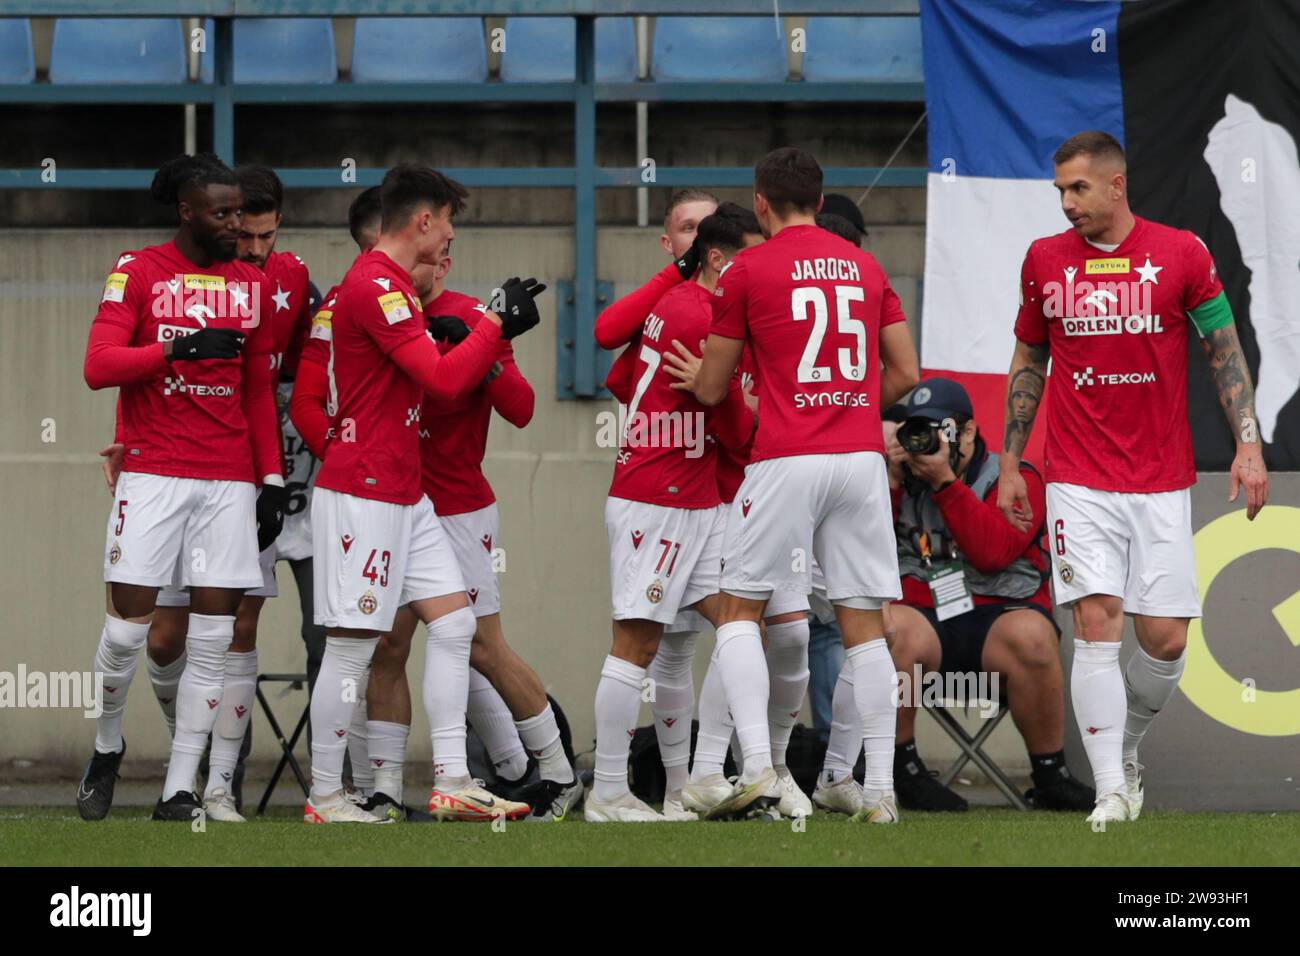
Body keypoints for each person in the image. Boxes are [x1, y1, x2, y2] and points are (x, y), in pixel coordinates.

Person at [1000, 130, 1269, 825]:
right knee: (1096, 622)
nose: (1065, 204)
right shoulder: (1044, 262)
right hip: (1076, 474)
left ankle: (1127, 748)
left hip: (1159, 476)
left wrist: (1248, 444)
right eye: (1059, 190)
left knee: (1166, 640)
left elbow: (1223, 349)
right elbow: (1030, 357)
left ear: (1117, 185)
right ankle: (1110, 792)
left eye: (1078, 188)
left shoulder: (1181, 252)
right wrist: (1010, 461)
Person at [683, 147, 920, 822]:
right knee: (865, 627)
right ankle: (877, 792)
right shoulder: (867, 266)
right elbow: (905, 373)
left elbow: (710, 384)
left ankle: (757, 766)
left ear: (760, 204)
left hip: (785, 458)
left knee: (737, 612)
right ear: (820, 201)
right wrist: (844, 402)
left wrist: (708, 377)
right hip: (858, 460)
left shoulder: (746, 269)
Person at [303, 163, 543, 823]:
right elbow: (439, 383)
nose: (449, 241)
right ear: (424, 219)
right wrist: (494, 329)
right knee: (355, 644)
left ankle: (451, 780)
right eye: (449, 224)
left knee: (457, 623)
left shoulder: (396, 288)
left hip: (404, 494)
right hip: (365, 491)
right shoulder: (375, 285)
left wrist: (485, 332)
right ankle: (326, 795)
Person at [77, 153, 284, 822]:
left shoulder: (250, 287)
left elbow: (256, 391)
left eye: (239, 212)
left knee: (213, 640)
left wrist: (272, 477)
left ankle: (180, 786)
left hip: (226, 478)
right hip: (154, 470)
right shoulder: (137, 270)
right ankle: (108, 743)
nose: (235, 223)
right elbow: (98, 366)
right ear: (187, 211)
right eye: (222, 213)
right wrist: (176, 349)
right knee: (127, 635)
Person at [815, 378, 1094, 814]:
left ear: (966, 432)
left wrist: (945, 483)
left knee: (1035, 639)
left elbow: (993, 553)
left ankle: (1050, 774)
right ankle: (902, 771)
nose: (925, 442)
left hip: (998, 616)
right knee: (891, 632)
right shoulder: (897, 479)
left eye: (937, 430)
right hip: (926, 618)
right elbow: (869, 552)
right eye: (915, 430)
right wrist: (887, 479)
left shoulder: (1014, 479)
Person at [588, 204, 758, 822]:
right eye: (749, 254)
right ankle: (607, 791)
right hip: (656, 499)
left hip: (693, 494)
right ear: (718, 258)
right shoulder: (706, 314)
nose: (759, 266)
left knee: (739, 619)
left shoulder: (679, 303)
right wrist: (726, 403)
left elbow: (621, 375)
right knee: (637, 642)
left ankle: (691, 783)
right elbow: (740, 434)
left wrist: (668, 413)